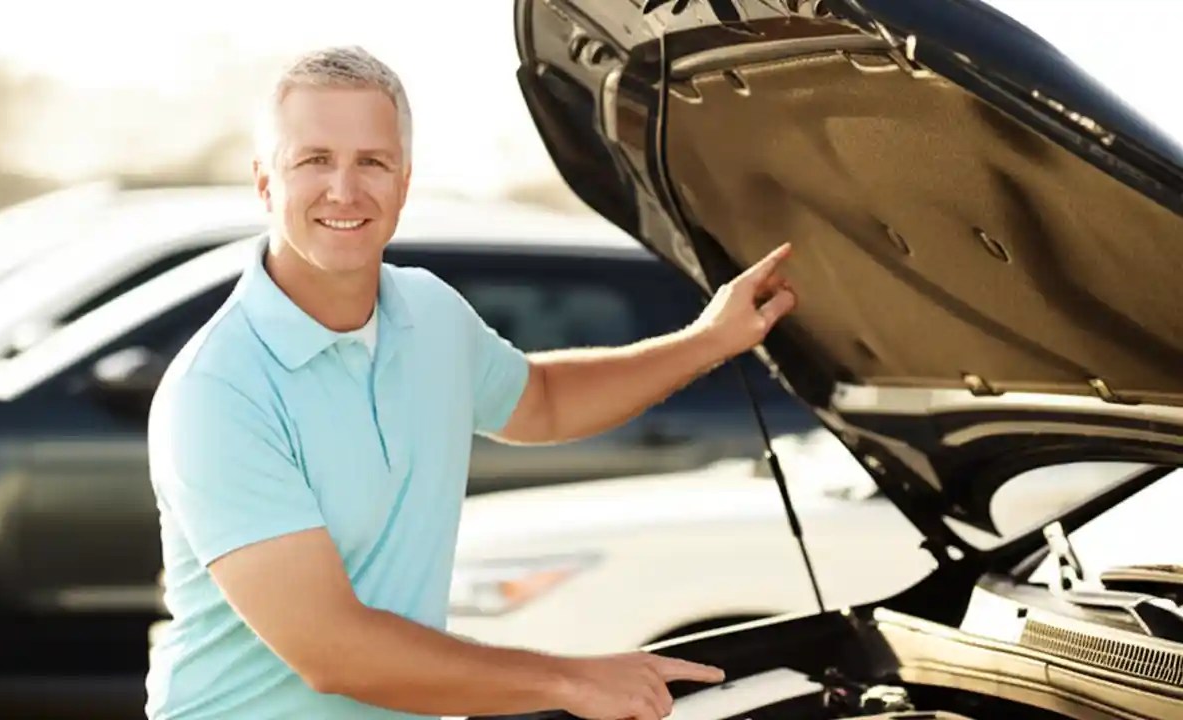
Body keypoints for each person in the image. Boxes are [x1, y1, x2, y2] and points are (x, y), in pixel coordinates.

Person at [145, 45, 797, 720]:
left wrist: (709, 341)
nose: (344, 189)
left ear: (403, 180)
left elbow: (541, 402)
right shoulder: (219, 391)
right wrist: (570, 680)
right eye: (314, 160)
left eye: (372, 162)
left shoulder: (427, 312)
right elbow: (331, 650)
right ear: (264, 182)